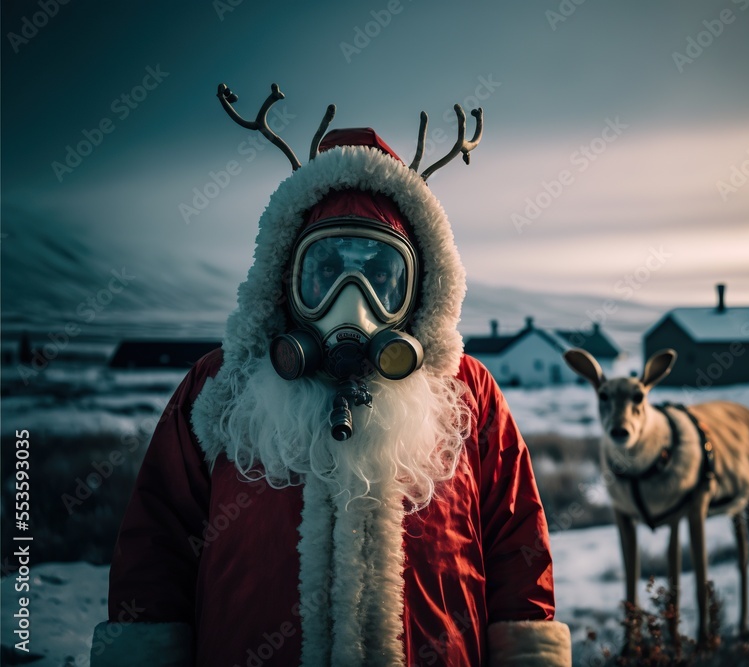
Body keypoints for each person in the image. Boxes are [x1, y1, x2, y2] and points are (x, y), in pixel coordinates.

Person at [88, 93, 571, 666]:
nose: (354, 302)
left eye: (379, 277)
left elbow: (518, 551)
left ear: (418, 289)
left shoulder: (465, 392)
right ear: (284, 279)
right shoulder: (224, 385)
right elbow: (156, 548)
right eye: (326, 273)